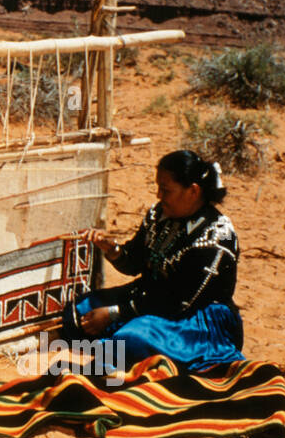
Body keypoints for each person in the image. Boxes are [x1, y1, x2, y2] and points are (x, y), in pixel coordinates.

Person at [64, 150, 244, 371]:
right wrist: (112, 249)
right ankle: (119, 352)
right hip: (147, 299)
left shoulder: (218, 235)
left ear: (193, 191)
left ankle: (122, 352)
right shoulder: (159, 215)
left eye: (166, 190)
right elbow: (134, 263)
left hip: (195, 320)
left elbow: (179, 302)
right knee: (80, 311)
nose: (159, 196)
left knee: (129, 338)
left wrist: (114, 312)